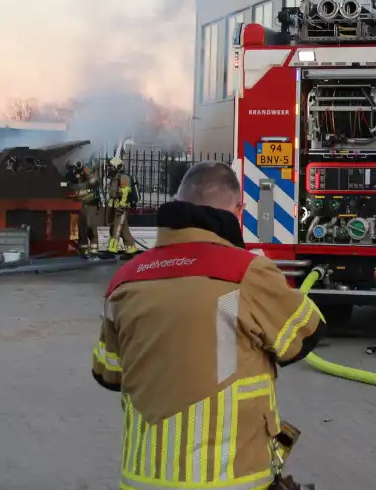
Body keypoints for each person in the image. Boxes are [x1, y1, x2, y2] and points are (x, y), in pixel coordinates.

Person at [91, 160, 326, 490]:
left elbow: (107, 372)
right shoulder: (246, 273)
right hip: (231, 480)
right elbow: (307, 335)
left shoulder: (125, 280)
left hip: (142, 479)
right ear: (238, 210)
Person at [68, 162, 104, 258]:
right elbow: (72, 188)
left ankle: (93, 250)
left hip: (91, 205)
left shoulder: (92, 179)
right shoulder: (77, 177)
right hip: (81, 206)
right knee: (82, 228)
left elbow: (94, 183)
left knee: (91, 228)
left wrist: (86, 172)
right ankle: (83, 250)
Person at [105, 157, 138, 258]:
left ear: (116, 167)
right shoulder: (115, 177)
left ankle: (112, 251)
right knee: (124, 229)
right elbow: (113, 194)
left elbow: (124, 193)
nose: (108, 169)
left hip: (121, 208)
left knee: (117, 228)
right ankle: (131, 249)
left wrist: (121, 207)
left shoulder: (123, 177)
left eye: (110, 166)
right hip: (117, 207)